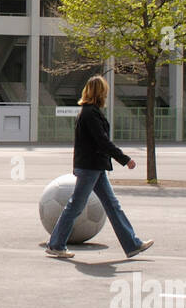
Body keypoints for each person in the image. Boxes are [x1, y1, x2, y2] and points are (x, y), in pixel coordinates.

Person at [45, 75, 154, 260]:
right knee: (76, 206)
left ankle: (132, 244)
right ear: (100, 93)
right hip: (90, 167)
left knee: (112, 205)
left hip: (94, 167)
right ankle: (56, 244)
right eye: (104, 91)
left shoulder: (90, 112)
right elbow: (102, 142)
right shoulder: (90, 114)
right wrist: (125, 159)